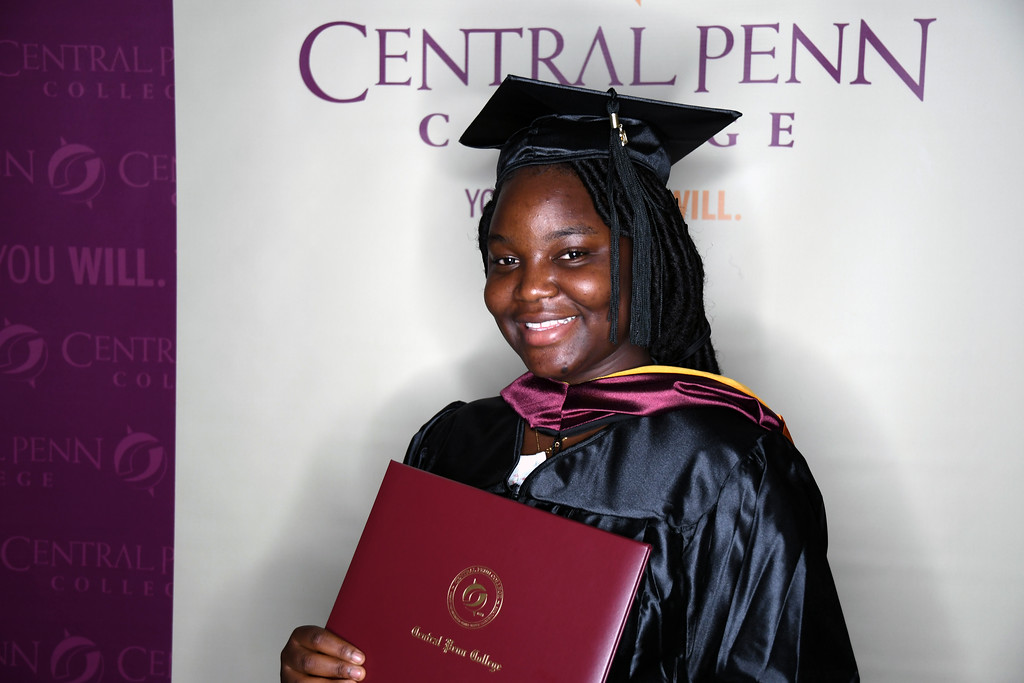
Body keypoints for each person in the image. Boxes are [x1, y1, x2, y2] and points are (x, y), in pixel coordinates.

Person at [280, 76, 858, 682]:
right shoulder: (454, 440)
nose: (529, 289)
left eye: (573, 253)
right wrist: (329, 668)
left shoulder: (725, 470)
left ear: (649, 258)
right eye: (506, 260)